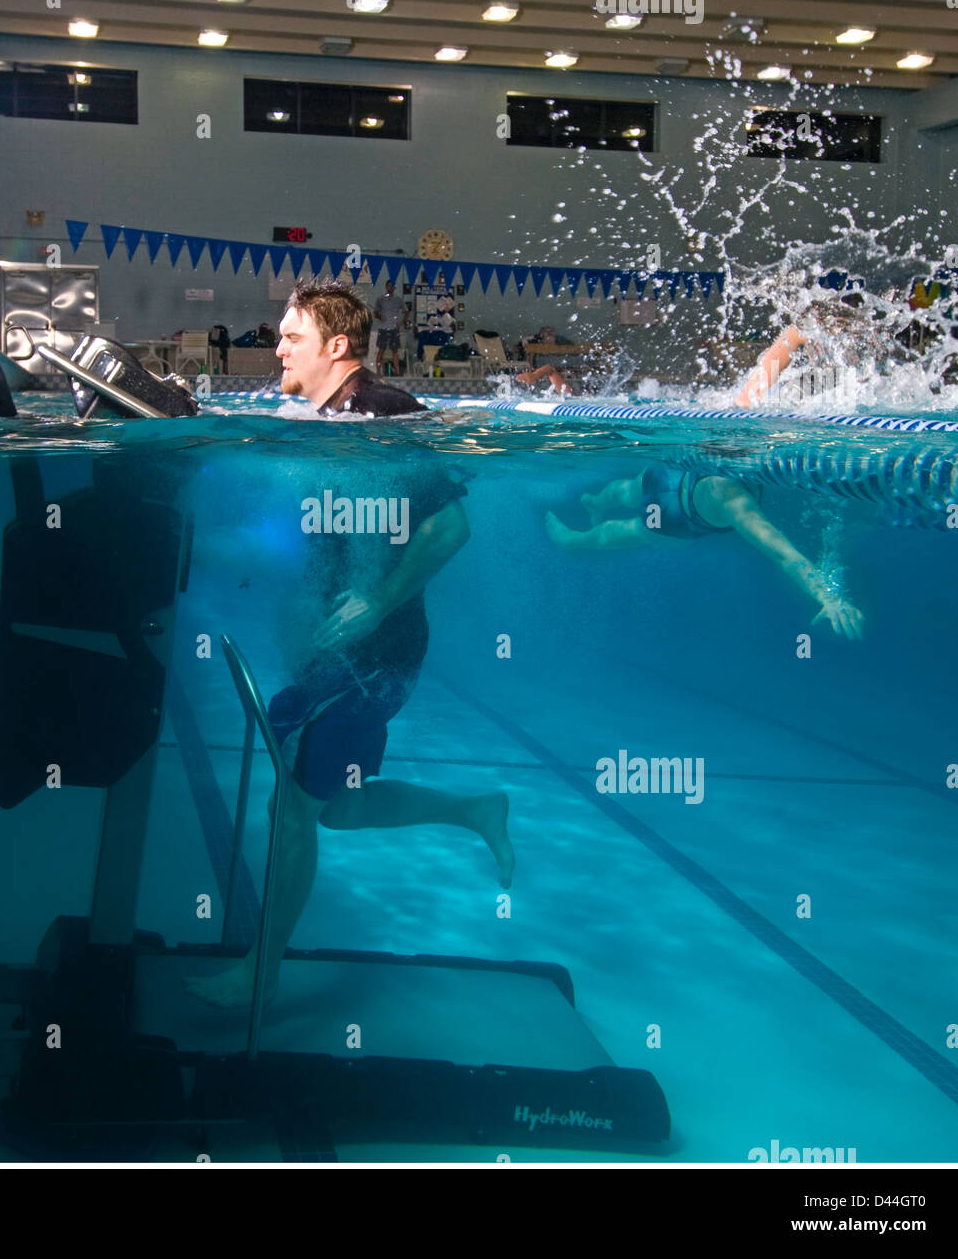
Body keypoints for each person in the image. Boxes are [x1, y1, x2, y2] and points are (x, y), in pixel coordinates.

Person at [184, 278, 514, 1011]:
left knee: (294, 809)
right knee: (332, 806)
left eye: (291, 336)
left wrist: (375, 602)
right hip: (330, 656)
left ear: (335, 347)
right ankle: (474, 810)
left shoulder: (380, 414)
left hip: (374, 658)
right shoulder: (321, 415)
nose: (276, 347)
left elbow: (449, 527)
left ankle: (259, 977)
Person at [544, 466, 865, 639]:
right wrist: (827, 596)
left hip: (667, 473)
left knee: (630, 488)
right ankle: (571, 539)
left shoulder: (718, 447)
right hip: (677, 518)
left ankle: (597, 503)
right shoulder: (737, 502)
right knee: (633, 531)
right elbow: (783, 553)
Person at [373, 279, 406, 377]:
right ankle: (378, 372)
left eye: (392, 286)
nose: (390, 288)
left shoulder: (398, 299)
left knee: (395, 352)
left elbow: (406, 311)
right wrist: (379, 316)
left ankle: (397, 370)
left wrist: (401, 323)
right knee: (381, 351)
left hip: (394, 329)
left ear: (394, 288)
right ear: (386, 287)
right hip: (383, 329)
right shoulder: (380, 299)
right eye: (389, 286)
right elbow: (375, 313)